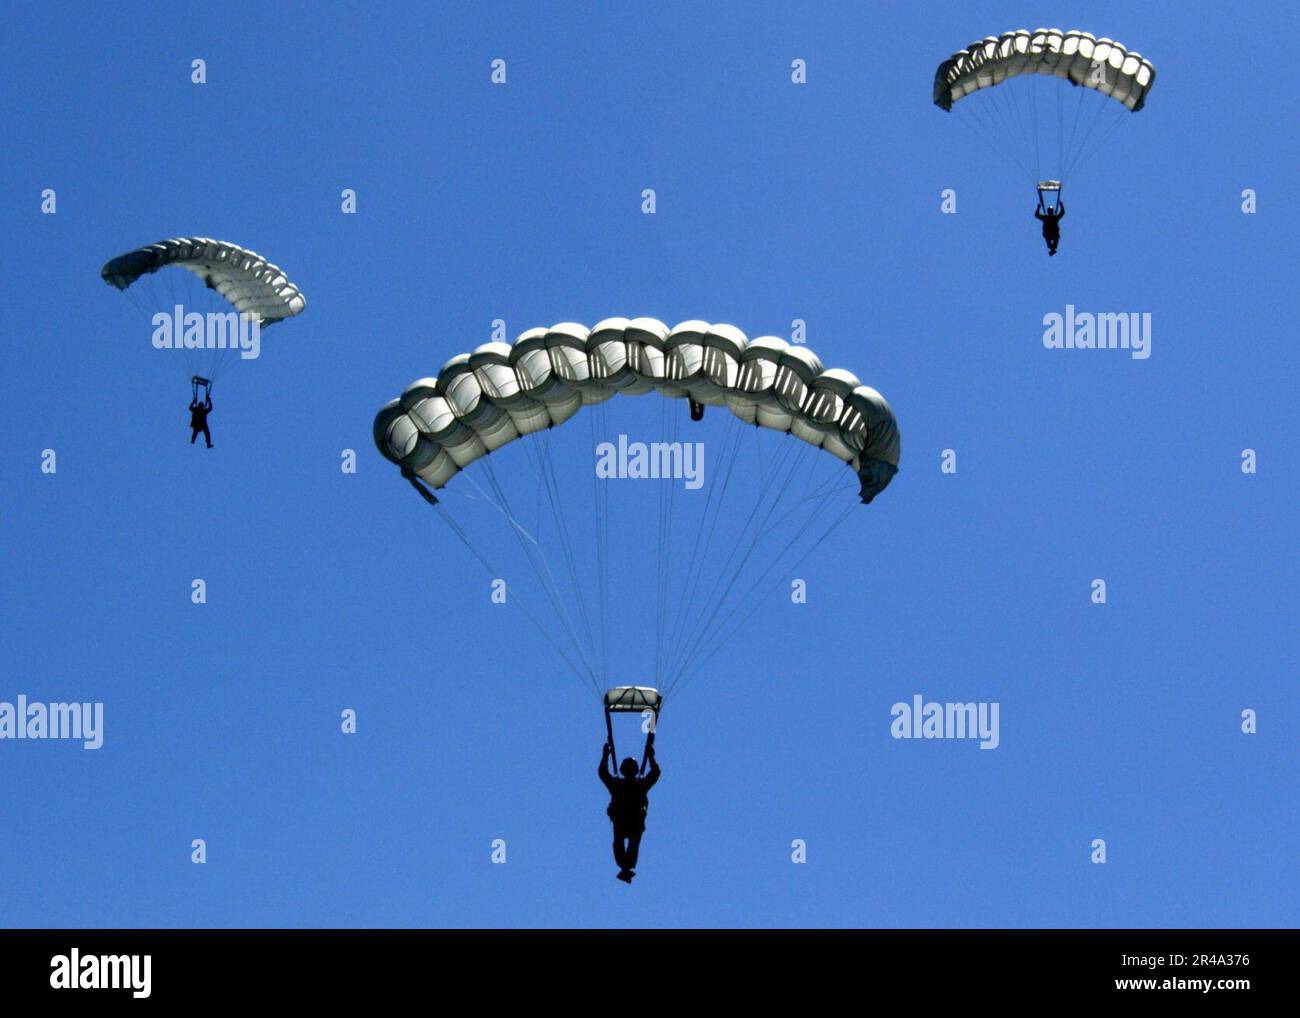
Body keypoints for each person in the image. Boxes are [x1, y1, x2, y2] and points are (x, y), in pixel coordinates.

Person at [599, 741, 660, 883]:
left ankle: (625, 868)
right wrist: (651, 757)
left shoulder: (619, 785)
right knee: (629, 843)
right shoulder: (638, 785)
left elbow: (603, 773)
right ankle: (625, 868)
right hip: (629, 821)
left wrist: (605, 756)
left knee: (626, 843)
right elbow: (655, 773)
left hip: (627, 821)